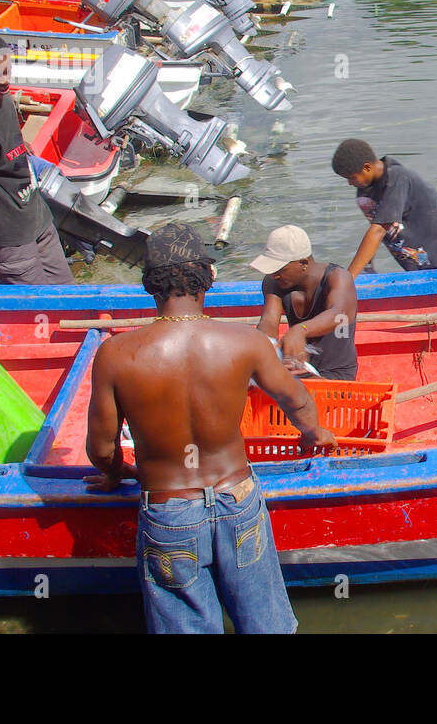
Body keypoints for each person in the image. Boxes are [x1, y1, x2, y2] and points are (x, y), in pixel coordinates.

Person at [85, 223, 337, 634]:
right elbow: (297, 400)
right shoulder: (245, 342)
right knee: (266, 624)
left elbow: (101, 448)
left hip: (169, 509)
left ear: (149, 283)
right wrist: (315, 433)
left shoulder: (115, 354)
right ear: (209, 277)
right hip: (236, 498)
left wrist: (117, 474)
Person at [0, 33, 73, 299]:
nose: (5, 80)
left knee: (70, 296)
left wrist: (16, 143)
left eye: (8, 71)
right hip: (12, 240)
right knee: (41, 309)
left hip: (38, 218)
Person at [332, 138, 437, 276]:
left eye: (351, 177)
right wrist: (366, 266)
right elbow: (374, 230)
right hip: (420, 260)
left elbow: (378, 230)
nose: (350, 183)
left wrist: (349, 279)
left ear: (367, 168)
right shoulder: (365, 192)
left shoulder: (398, 178)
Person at [252, 225, 359, 381]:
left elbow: (338, 314)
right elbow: (268, 321)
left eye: (279, 270)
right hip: (297, 368)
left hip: (336, 373)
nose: (274, 275)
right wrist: (261, 346)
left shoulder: (338, 277)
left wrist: (300, 330)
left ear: (303, 263)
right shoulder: (273, 282)